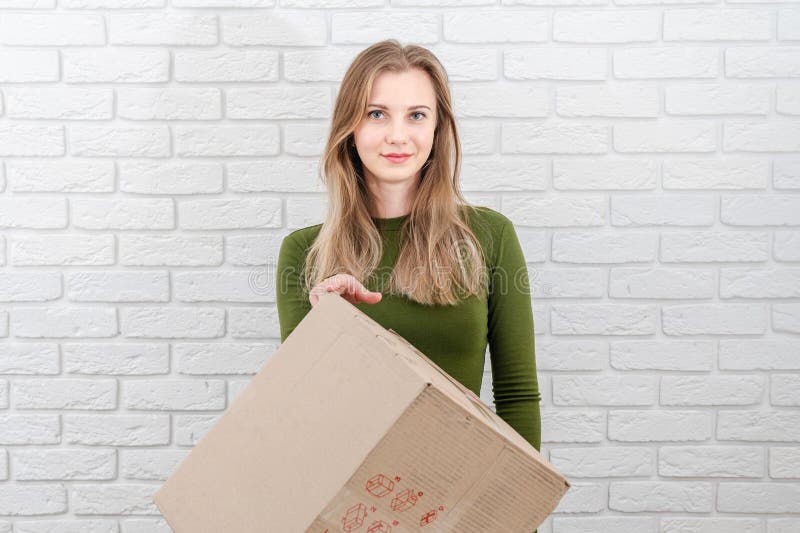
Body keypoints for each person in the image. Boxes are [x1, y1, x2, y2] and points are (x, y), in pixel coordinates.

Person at [275, 39, 542, 530]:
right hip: (349, 507)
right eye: (377, 114)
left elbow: (517, 396)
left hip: (459, 503)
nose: (397, 135)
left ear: (438, 129)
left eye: (417, 115)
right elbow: (305, 415)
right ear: (350, 127)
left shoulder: (489, 237)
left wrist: (511, 516)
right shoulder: (304, 253)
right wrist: (333, 329)